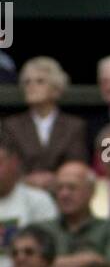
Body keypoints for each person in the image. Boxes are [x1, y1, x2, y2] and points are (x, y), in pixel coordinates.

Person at [1, 58, 87, 191]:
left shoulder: (74, 126)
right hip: (22, 194)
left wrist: (55, 179)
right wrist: (27, 180)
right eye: (27, 82)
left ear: (56, 89)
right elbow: (6, 164)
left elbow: (77, 163)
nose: (31, 86)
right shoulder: (10, 125)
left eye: (40, 81)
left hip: (63, 192)